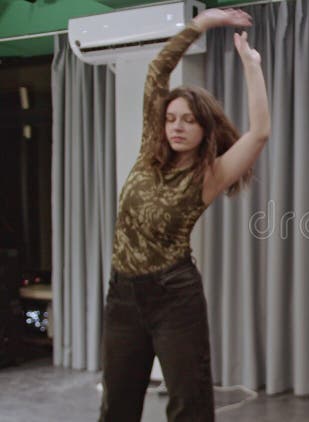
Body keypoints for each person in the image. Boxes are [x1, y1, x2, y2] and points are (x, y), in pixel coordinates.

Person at [99, 8, 270, 422]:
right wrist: (201, 24)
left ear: (204, 129)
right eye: (171, 119)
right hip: (122, 295)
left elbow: (260, 131)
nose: (177, 127)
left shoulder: (208, 175)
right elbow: (159, 68)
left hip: (174, 297)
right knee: (117, 405)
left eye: (189, 120)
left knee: (188, 405)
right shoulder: (147, 157)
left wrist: (251, 66)